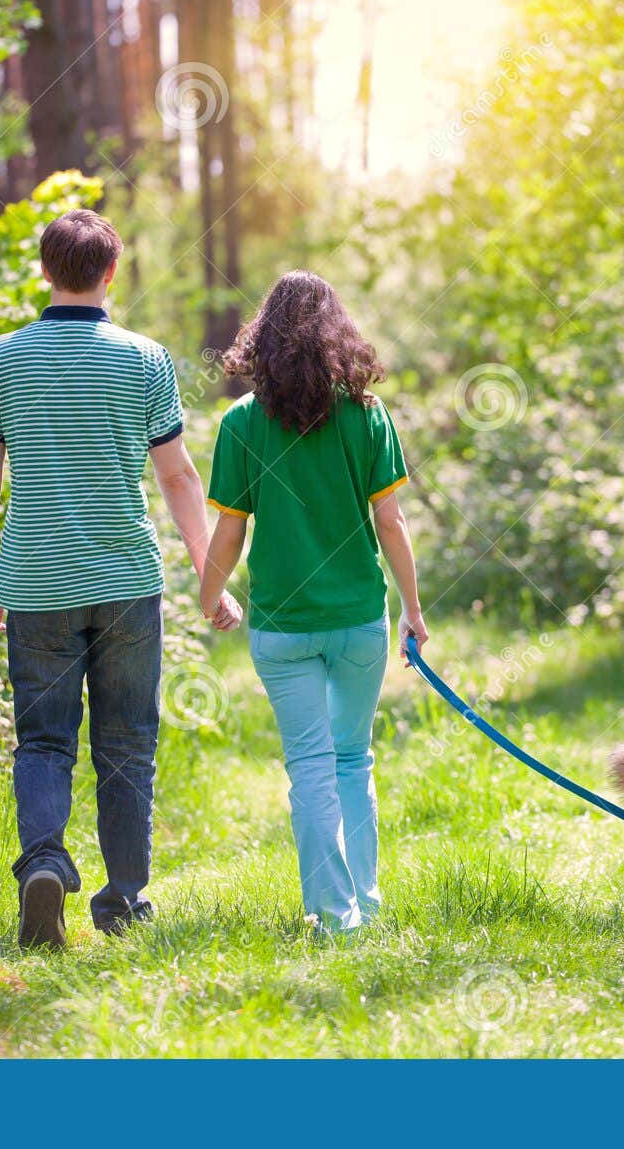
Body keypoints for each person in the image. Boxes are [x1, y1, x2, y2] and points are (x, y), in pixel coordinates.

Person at [0, 209, 241, 949]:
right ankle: (122, 901)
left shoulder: (0, 359)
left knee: (44, 740)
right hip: (126, 580)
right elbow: (180, 476)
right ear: (111, 272)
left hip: (35, 582)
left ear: (46, 271)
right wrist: (209, 577)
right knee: (127, 743)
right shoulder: (146, 359)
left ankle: (44, 864)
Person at [198, 270, 427, 935]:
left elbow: (230, 530)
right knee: (353, 757)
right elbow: (392, 523)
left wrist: (208, 598)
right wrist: (413, 610)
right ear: (338, 334)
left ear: (263, 340)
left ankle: (336, 915)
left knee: (311, 766)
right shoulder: (367, 416)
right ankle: (366, 901)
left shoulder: (242, 423)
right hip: (359, 618)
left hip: (283, 625)